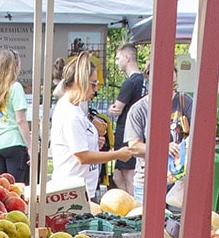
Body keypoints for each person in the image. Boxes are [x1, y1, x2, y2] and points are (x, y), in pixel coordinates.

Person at [47, 54, 137, 197]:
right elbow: (82, 156)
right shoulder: (70, 113)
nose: (95, 90)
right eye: (93, 84)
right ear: (80, 82)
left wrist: (94, 142)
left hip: (81, 190)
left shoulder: (74, 109)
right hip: (73, 193)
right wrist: (117, 155)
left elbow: (79, 147)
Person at [123, 86, 190, 205]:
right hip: (148, 181)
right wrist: (162, 149)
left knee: (178, 223)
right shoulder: (139, 109)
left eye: (174, 85)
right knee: (147, 222)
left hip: (180, 182)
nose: (171, 90)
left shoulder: (184, 101)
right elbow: (134, 147)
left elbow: (203, 130)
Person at [0, 52, 32, 181]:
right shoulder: (15, 87)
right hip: (12, 141)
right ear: (15, 66)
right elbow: (20, 120)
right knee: (15, 188)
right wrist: (30, 145)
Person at [109, 43, 146, 194]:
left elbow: (116, 109)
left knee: (128, 174)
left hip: (126, 133)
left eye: (118, 58)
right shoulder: (144, 81)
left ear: (127, 57)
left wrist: (112, 109)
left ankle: (133, 208)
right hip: (140, 132)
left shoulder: (130, 83)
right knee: (118, 174)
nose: (117, 62)